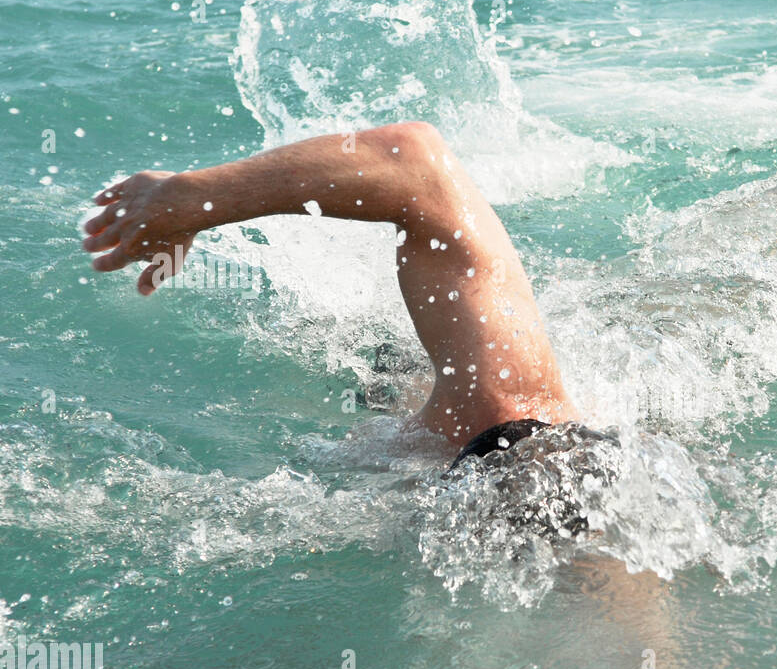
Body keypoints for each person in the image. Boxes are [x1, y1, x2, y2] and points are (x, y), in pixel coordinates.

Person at [81, 121, 579, 464]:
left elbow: (411, 161)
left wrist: (189, 203)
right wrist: (191, 202)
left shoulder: (492, 423)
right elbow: (411, 160)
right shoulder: (513, 422)